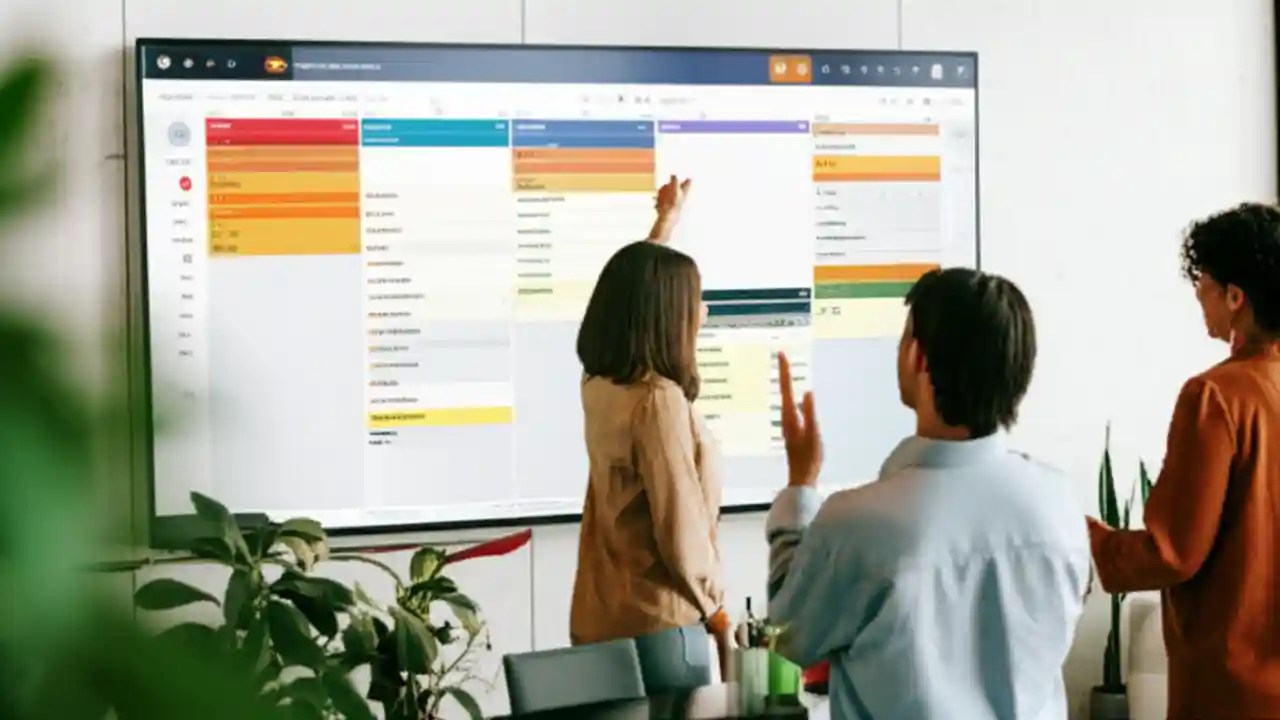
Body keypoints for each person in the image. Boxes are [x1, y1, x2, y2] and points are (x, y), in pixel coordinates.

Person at [766, 268, 1090, 719]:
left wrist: (800, 485)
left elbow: (785, 635)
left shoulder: (857, 522)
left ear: (918, 358)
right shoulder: (1059, 503)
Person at [1088, 202, 1280, 719]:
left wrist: (1085, 535)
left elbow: (1173, 552)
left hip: (1233, 693)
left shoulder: (1217, 396)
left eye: (1205, 280)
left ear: (1235, 298)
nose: (1198, 291)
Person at [569, 176, 732, 692]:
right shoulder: (658, 400)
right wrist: (716, 606)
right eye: (696, 302)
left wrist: (664, 226)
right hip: (660, 629)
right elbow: (680, 530)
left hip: (600, 619)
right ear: (670, 315)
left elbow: (630, 292)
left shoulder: (600, 384)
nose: (702, 314)